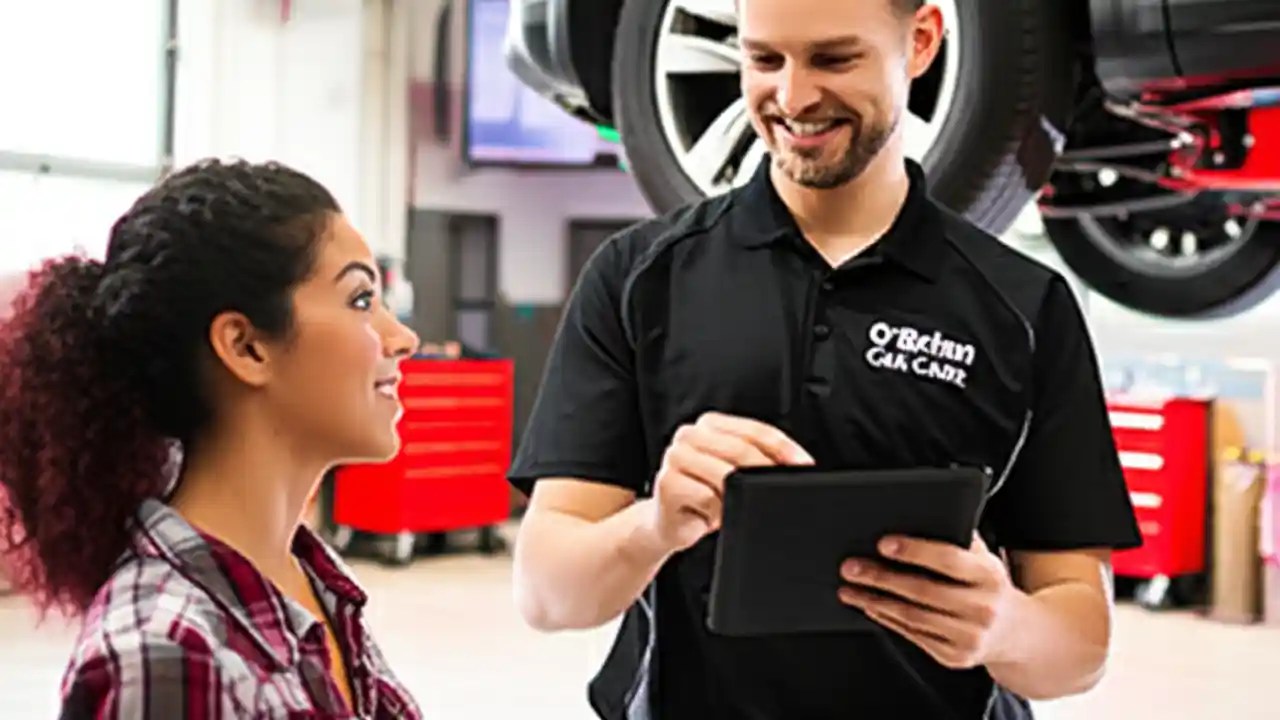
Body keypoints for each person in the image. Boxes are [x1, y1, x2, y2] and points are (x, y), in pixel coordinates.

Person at [507, 0, 1142, 718]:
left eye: (834, 59)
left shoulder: (1024, 307)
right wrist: (655, 525)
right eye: (764, 59)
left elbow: (1081, 646)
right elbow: (547, 594)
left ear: (924, 39)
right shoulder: (639, 279)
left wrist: (1005, 627)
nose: (795, 98)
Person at [0, 159, 424, 718]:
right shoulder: (165, 652)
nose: (405, 339)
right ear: (246, 348)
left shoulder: (314, 584)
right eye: (361, 300)